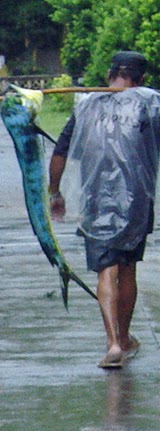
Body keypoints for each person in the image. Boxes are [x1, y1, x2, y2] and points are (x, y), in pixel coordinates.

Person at [49, 50, 160, 369]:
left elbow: (60, 153)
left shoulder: (86, 106)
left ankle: (113, 343)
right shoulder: (151, 105)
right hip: (137, 202)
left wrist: (55, 191)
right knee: (127, 267)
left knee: (106, 270)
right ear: (141, 79)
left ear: (110, 74)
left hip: (96, 200)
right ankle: (124, 338)